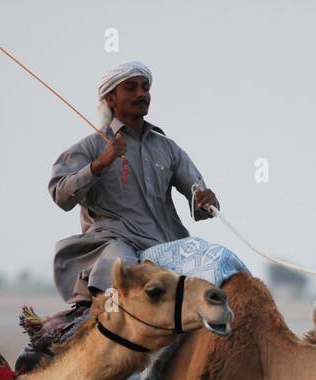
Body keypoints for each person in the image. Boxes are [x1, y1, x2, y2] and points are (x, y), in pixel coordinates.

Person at [30, 61, 220, 348]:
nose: (141, 93)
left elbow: (198, 199)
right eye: (131, 87)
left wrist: (207, 203)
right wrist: (99, 164)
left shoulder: (168, 148)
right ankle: (83, 333)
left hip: (165, 244)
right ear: (110, 98)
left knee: (218, 261)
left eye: (145, 88)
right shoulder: (90, 147)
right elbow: (60, 194)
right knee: (121, 269)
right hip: (114, 241)